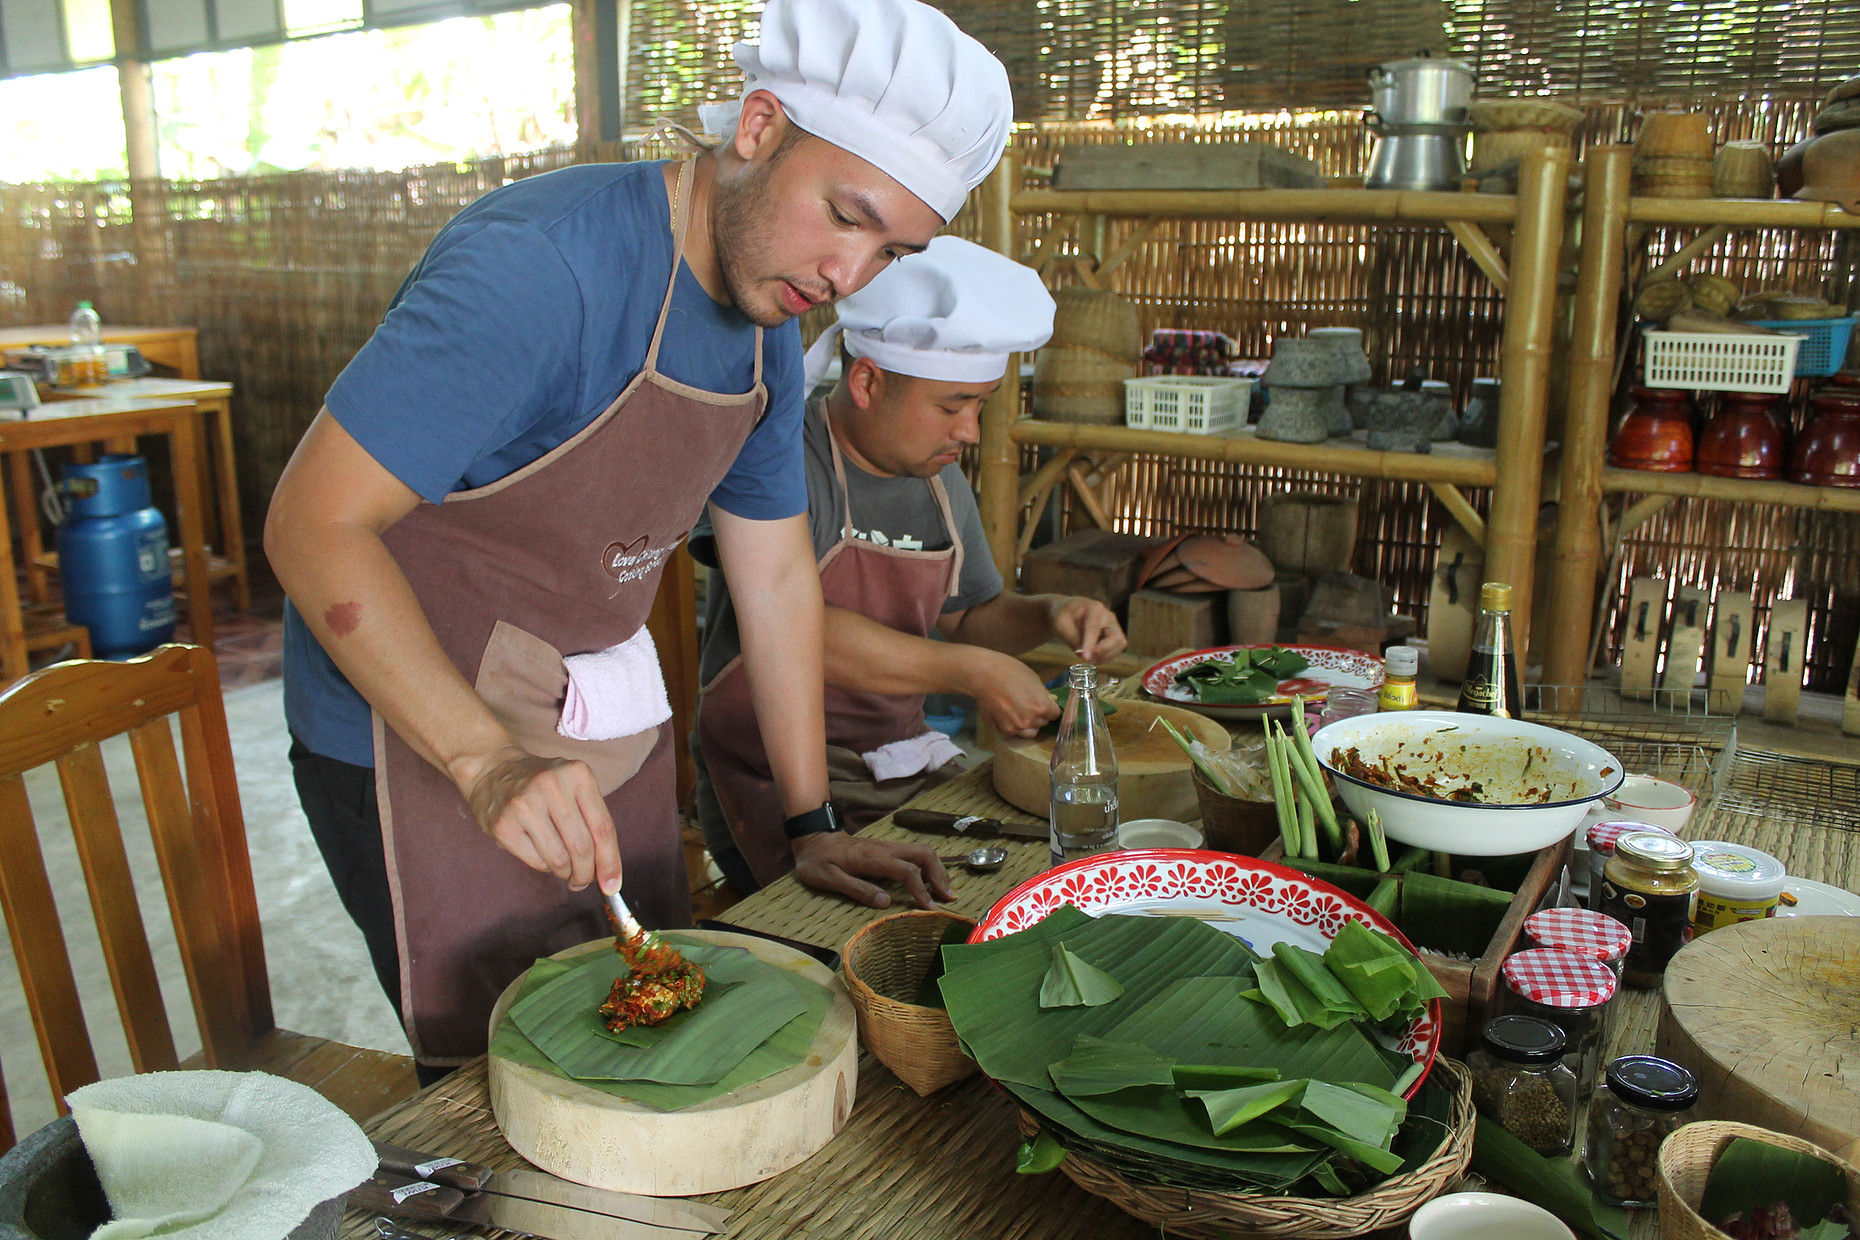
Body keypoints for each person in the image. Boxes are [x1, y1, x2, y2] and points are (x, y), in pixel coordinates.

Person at [264, 0, 1012, 1071]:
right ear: (757, 126)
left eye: (892, 250)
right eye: (845, 215)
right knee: (512, 1072)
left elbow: (776, 583)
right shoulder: (538, 271)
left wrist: (808, 825)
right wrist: (485, 766)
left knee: (662, 1031)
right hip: (415, 724)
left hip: (587, 706)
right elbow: (312, 523)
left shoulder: (767, 325)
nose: (851, 276)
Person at [692, 236, 1127, 894]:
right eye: (953, 406)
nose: (971, 432)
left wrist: (1050, 614)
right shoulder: (779, 458)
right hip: (772, 777)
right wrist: (970, 672)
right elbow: (786, 620)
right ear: (867, 381)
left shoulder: (937, 478)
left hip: (894, 760)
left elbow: (971, 617)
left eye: (979, 405)